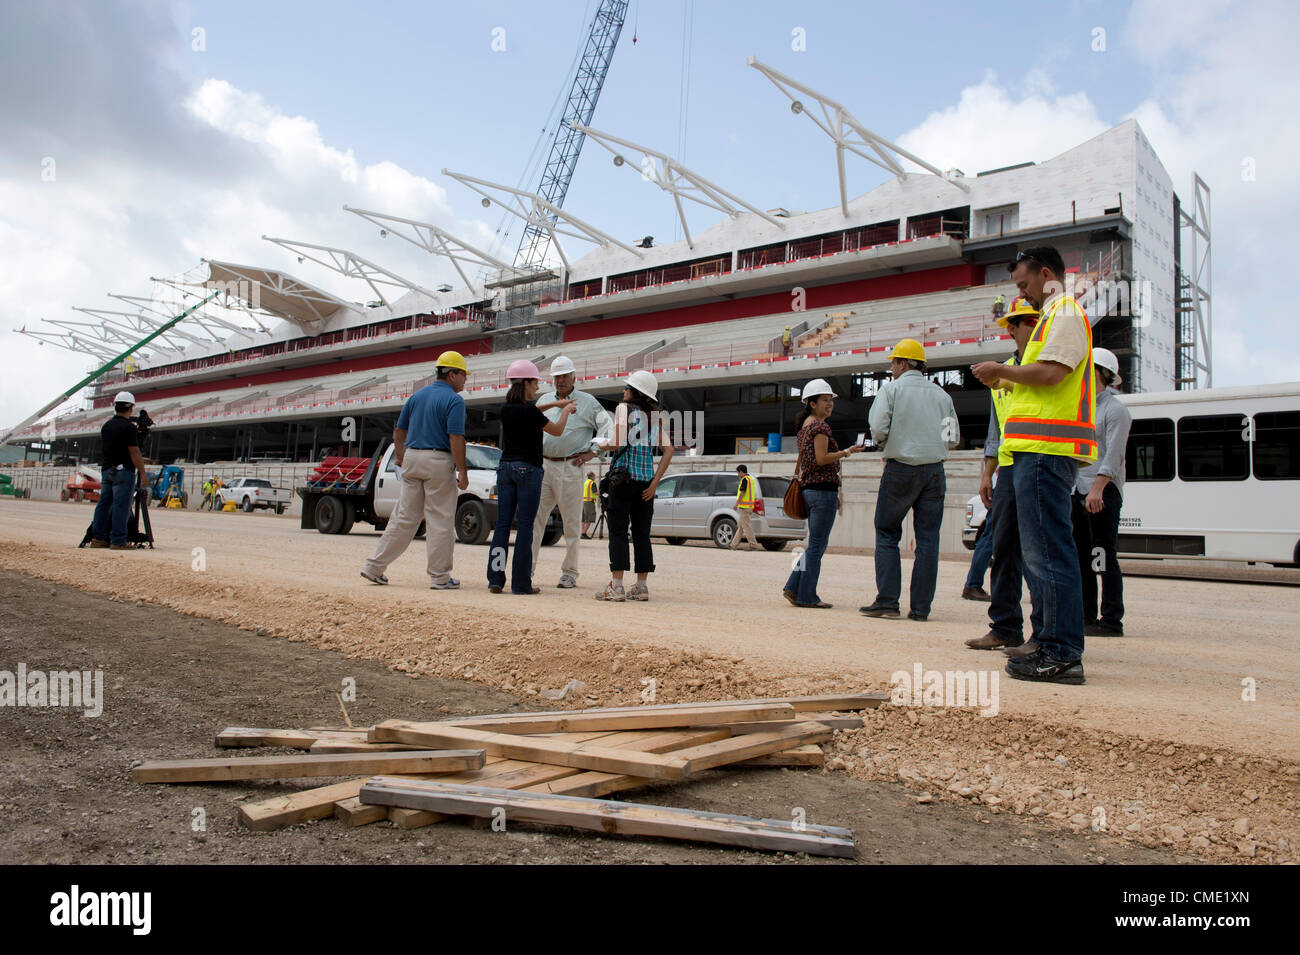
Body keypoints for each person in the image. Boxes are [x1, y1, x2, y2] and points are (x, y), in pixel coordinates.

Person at [972, 246, 1096, 685]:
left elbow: (1050, 374)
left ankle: (1061, 651)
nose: (1022, 295)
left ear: (1047, 274)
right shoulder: (1053, 315)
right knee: (1041, 552)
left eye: (1024, 285)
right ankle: (1050, 643)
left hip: (1047, 448)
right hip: (1036, 449)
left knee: (1048, 552)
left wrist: (999, 373)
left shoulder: (1063, 311)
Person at [964, 301, 1046, 652]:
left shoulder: (1047, 368)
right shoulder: (1003, 373)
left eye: (1027, 321)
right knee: (1004, 549)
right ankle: (1005, 626)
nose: (1018, 329)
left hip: (1040, 462)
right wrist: (988, 474)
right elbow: (996, 429)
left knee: (1038, 552)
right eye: (1015, 323)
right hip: (1010, 469)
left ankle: (1043, 633)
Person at [860, 340, 959, 621]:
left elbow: (878, 428)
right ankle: (920, 609)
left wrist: (886, 442)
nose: (891, 368)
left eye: (893, 362)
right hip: (934, 472)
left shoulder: (891, 390)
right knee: (928, 540)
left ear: (903, 363)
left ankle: (888, 602)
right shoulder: (942, 396)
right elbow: (952, 438)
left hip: (901, 468)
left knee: (888, 533)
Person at [360, 351, 471, 590]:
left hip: (412, 457)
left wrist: (400, 456)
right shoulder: (454, 400)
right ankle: (439, 577)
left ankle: (374, 566)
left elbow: (399, 431)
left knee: (403, 518)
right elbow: (455, 437)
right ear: (452, 374)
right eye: (463, 375)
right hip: (438, 460)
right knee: (439, 520)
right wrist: (463, 470)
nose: (465, 380)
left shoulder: (416, 396)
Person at [488, 360, 575, 595]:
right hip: (529, 470)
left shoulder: (506, 408)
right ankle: (521, 583)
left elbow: (531, 412)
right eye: (535, 382)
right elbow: (556, 430)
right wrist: (565, 411)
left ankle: (495, 579)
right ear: (526, 382)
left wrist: (555, 403)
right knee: (526, 527)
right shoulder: (529, 412)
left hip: (505, 469)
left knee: (502, 526)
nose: (537, 386)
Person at [530, 356, 613, 588]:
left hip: (571, 466)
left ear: (574, 377)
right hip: (544, 465)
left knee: (572, 524)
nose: (561, 381)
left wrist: (594, 452)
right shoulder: (545, 400)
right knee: (535, 520)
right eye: (557, 377)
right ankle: (527, 569)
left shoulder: (588, 402)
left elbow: (607, 425)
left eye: (565, 376)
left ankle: (570, 572)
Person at [593, 370, 674, 602]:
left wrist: (600, 444)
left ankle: (616, 586)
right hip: (645, 485)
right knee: (641, 534)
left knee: (618, 532)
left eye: (627, 387)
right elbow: (668, 450)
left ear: (635, 392)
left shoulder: (622, 409)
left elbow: (617, 443)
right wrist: (656, 482)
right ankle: (641, 586)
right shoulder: (655, 417)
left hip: (623, 480)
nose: (623, 390)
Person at [782, 379, 862, 608]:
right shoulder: (820, 427)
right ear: (812, 403)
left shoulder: (804, 427)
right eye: (825, 400)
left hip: (809, 489)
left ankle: (793, 586)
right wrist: (846, 452)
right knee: (817, 546)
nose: (830, 404)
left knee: (814, 545)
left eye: (830, 400)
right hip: (821, 491)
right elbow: (821, 459)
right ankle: (807, 596)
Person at [1072, 346, 1131, 636]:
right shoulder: (1079, 407)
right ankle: (1085, 617)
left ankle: (1111, 619)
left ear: (1102, 374)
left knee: (1102, 554)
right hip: (1078, 488)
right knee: (1082, 555)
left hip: (1101, 491)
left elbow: (1114, 454)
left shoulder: (1116, 409)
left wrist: (1097, 489)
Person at [88, 391, 150, 550]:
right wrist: (142, 472)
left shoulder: (107, 426)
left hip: (107, 470)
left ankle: (98, 538)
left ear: (115, 407)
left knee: (103, 504)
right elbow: (134, 452)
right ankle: (118, 540)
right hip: (123, 472)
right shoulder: (128, 428)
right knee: (121, 506)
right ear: (131, 408)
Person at [729, 464, 760, 551]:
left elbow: (742, 492)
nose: (738, 475)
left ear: (741, 472)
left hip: (744, 507)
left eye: (738, 473)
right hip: (748, 506)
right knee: (741, 526)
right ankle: (733, 545)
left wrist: (736, 504)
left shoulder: (745, 479)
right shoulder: (750, 479)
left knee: (746, 526)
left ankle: (753, 545)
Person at [581, 471, 597, 539]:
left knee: (584, 518)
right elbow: (595, 492)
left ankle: (582, 533)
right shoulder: (592, 483)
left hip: (584, 502)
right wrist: (602, 493)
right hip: (590, 502)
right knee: (589, 518)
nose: (595, 477)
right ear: (592, 476)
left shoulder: (585, 482)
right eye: (594, 476)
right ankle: (583, 533)